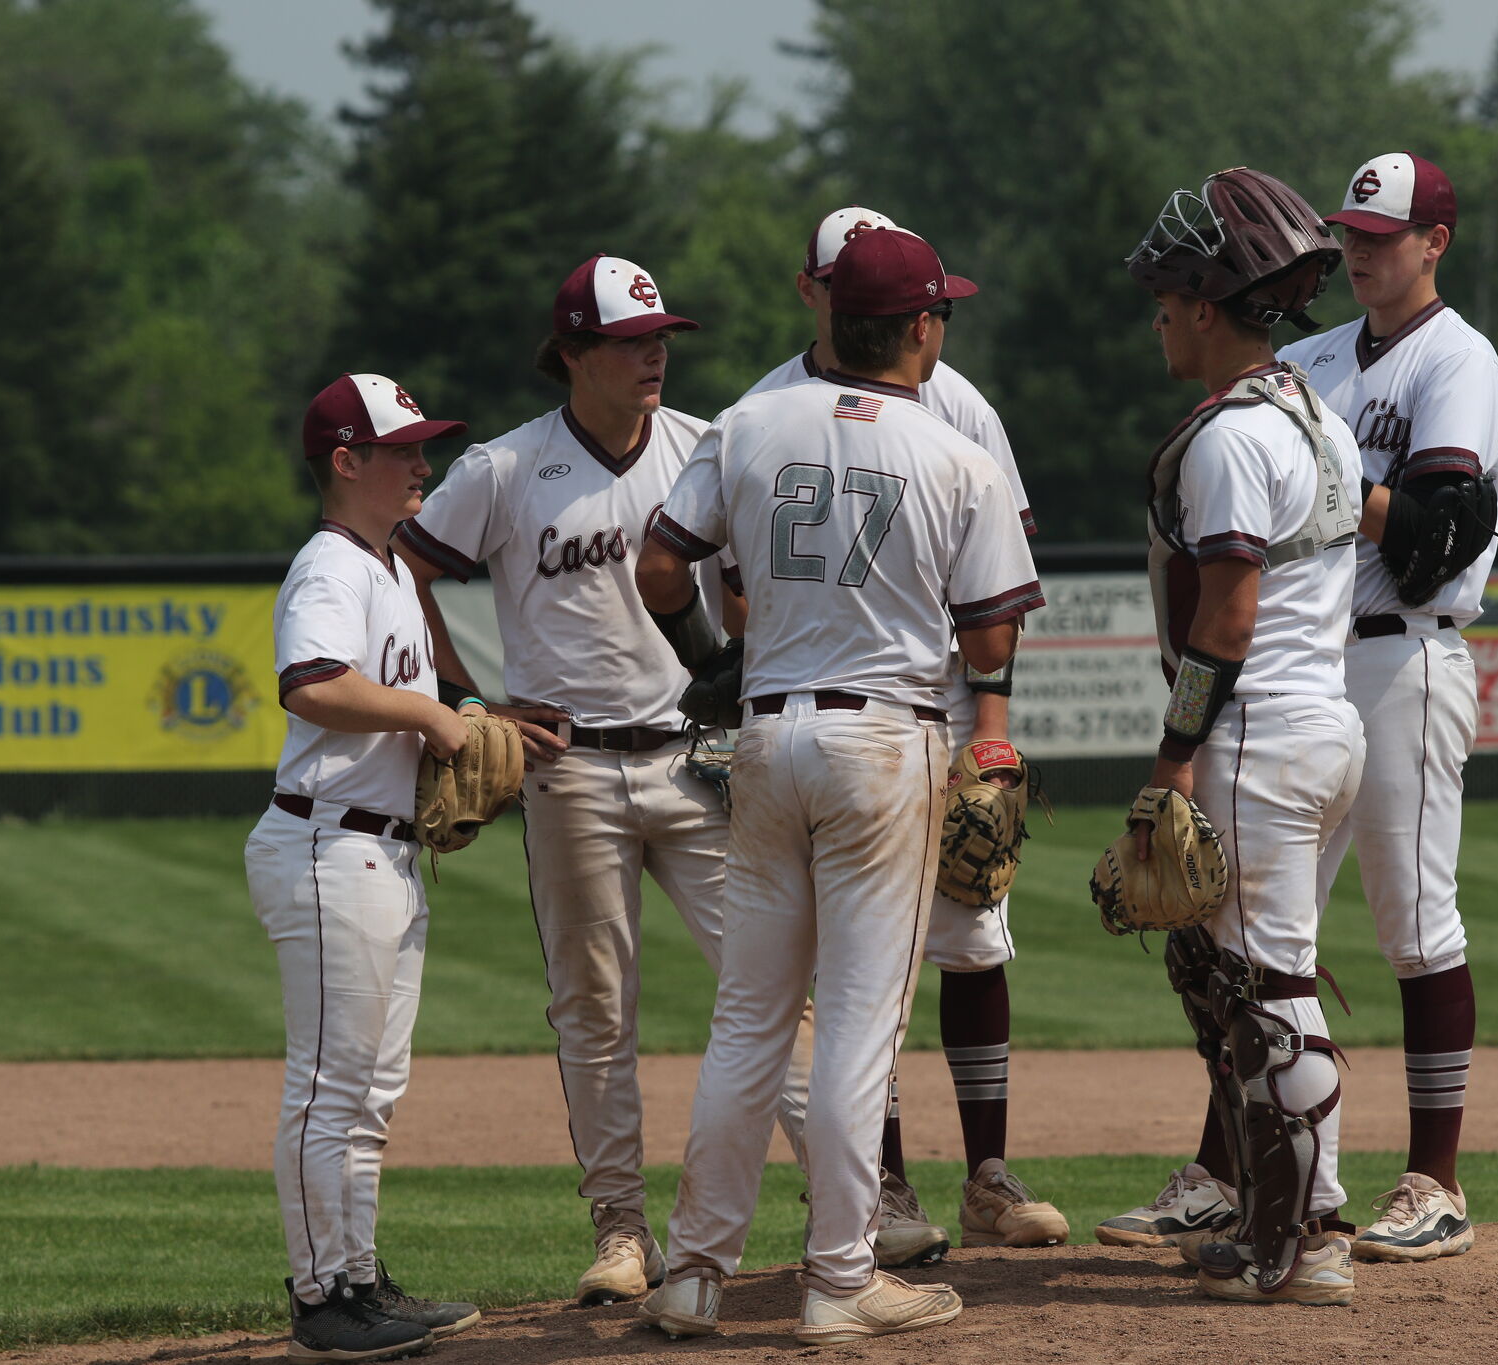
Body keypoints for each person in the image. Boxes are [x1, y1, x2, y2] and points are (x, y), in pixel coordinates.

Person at [634, 227, 1041, 1345]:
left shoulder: (750, 421)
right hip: (883, 744)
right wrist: (986, 713)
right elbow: (992, 635)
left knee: (747, 1022)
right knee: (860, 1026)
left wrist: (709, 661)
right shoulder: (956, 452)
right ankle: (837, 1278)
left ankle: (692, 1275)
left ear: (830, 314)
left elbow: (660, 566)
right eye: (936, 311)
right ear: (917, 327)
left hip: (766, 737)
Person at [391, 255, 804, 1307]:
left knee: (768, 981)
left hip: (696, 761)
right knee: (593, 1006)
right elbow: (403, 566)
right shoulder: (505, 467)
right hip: (568, 771)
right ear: (573, 353)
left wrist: (743, 682)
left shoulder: (704, 447)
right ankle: (621, 1231)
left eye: (661, 335)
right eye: (630, 340)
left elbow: (747, 584)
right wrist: (467, 705)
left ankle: (863, 1198)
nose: (655, 352)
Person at [744, 206, 1063, 1264]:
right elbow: (717, 578)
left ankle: (986, 1176)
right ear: (815, 291)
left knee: (970, 941)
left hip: (932, 712)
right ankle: (875, 1189)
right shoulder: (765, 406)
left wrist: (994, 728)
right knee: (851, 968)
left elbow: (1000, 581)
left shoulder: (954, 402)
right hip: (844, 726)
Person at [1108, 167, 1368, 1306]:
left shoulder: (1226, 439)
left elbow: (1227, 612)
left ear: (1208, 307)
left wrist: (1173, 757)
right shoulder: (1317, 419)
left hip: (1258, 730)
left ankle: (1311, 1242)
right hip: (1323, 722)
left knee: (1268, 992)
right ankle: (1279, 1219)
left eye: (1166, 301)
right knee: (1245, 979)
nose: (1157, 320)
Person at [1277, 152, 1498, 1263]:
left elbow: (1432, 543)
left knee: (1415, 926)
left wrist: (1323, 479)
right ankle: (1234, 1172)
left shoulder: (1456, 363)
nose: (1361, 251)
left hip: (1399, 657)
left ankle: (1434, 1180)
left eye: (1383, 233)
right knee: (1260, 925)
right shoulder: (1305, 360)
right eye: (1351, 234)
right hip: (1297, 661)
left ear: (1433, 243)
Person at [246, 373, 482, 1361]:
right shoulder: (331, 566)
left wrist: (471, 726)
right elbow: (310, 685)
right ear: (348, 462)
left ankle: (357, 1275)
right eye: (403, 450)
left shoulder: (386, 567)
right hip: (325, 843)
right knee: (330, 1087)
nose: (424, 463)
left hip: (379, 848)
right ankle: (319, 1297)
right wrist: (431, 716)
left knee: (372, 1090)